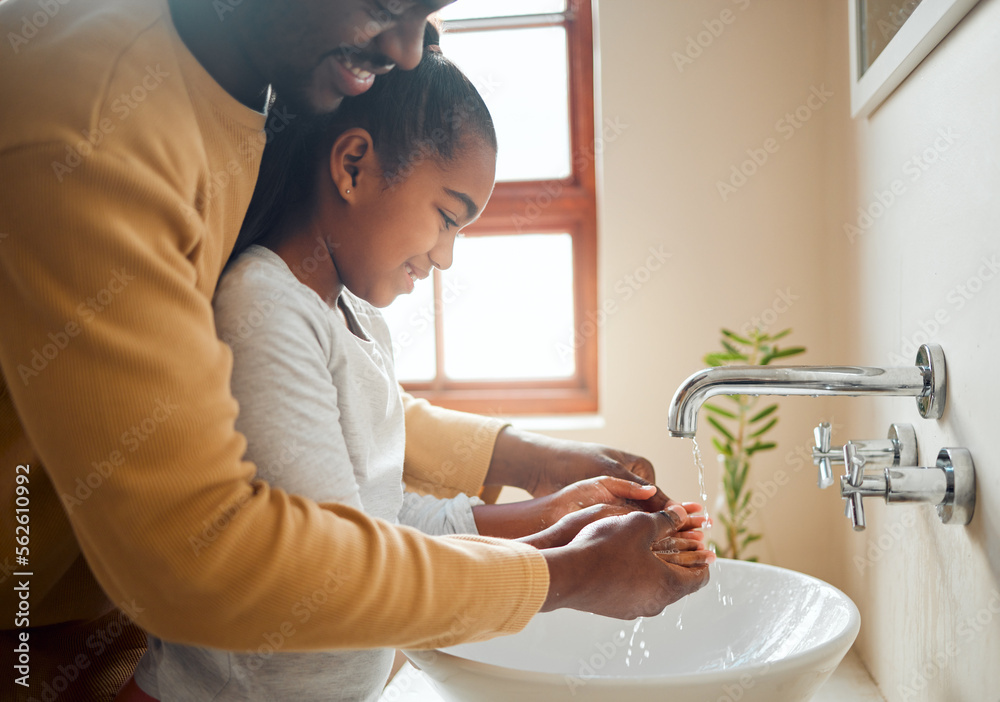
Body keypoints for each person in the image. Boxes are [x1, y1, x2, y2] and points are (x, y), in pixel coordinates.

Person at [0, 1, 710, 700]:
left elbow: (350, 482)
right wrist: (567, 572)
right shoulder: (105, 126)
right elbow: (213, 553)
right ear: (352, 166)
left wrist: (542, 487)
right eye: (386, 5)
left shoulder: (327, 260)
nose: (406, 50)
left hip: (97, 615)